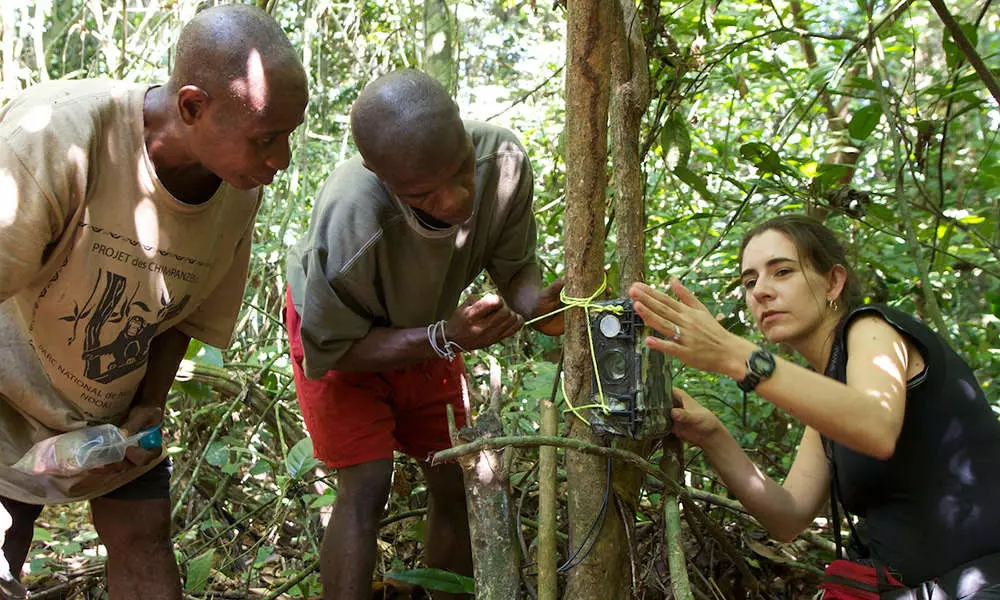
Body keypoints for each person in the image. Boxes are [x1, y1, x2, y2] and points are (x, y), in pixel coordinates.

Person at [0, 5, 308, 599]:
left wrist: (148, 405)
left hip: (108, 416)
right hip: (7, 398)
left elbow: (182, 315)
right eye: (267, 139)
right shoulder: (55, 138)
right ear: (193, 107)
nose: (281, 160)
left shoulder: (237, 191)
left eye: (288, 136)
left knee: (143, 535)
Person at [284, 69, 563, 600]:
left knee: (459, 479)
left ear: (462, 126)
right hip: (344, 336)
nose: (456, 200)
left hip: (436, 327)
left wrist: (536, 306)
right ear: (381, 175)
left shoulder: (500, 162)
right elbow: (335, 349)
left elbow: (516, 271)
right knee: (366, 487)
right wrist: (443, 336)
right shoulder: (353, 221)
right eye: (424, 195)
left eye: (460, 170)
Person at [629, 215, 1000, 596]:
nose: (760, 292)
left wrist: (735, 354)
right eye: (749, 281)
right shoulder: (828, 387)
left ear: (833, 282)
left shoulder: (872, 329)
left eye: (782, 272)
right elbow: (789, 516)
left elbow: (875, 426)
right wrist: (712, 435)